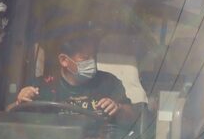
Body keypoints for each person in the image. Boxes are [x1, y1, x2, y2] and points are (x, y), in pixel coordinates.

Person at [9, 33, 137, 124]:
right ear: (64, 60)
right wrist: (20, 102)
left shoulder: (109, 82)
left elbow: (133, 117)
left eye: (94, 57)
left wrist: (118, 108)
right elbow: (7, 115)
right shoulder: (41, 86)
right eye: (85, 58)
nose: (92, 62)